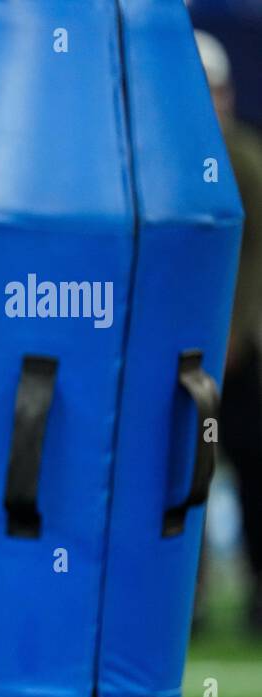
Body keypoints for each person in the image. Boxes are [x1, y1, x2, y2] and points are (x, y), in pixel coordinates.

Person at [194, 30, 262, 636]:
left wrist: (236, 334)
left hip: (242, 355)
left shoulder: (244, 160)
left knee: (250, 469)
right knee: (178, 482)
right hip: (183, 355)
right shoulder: (160, 162)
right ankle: (184, 609)